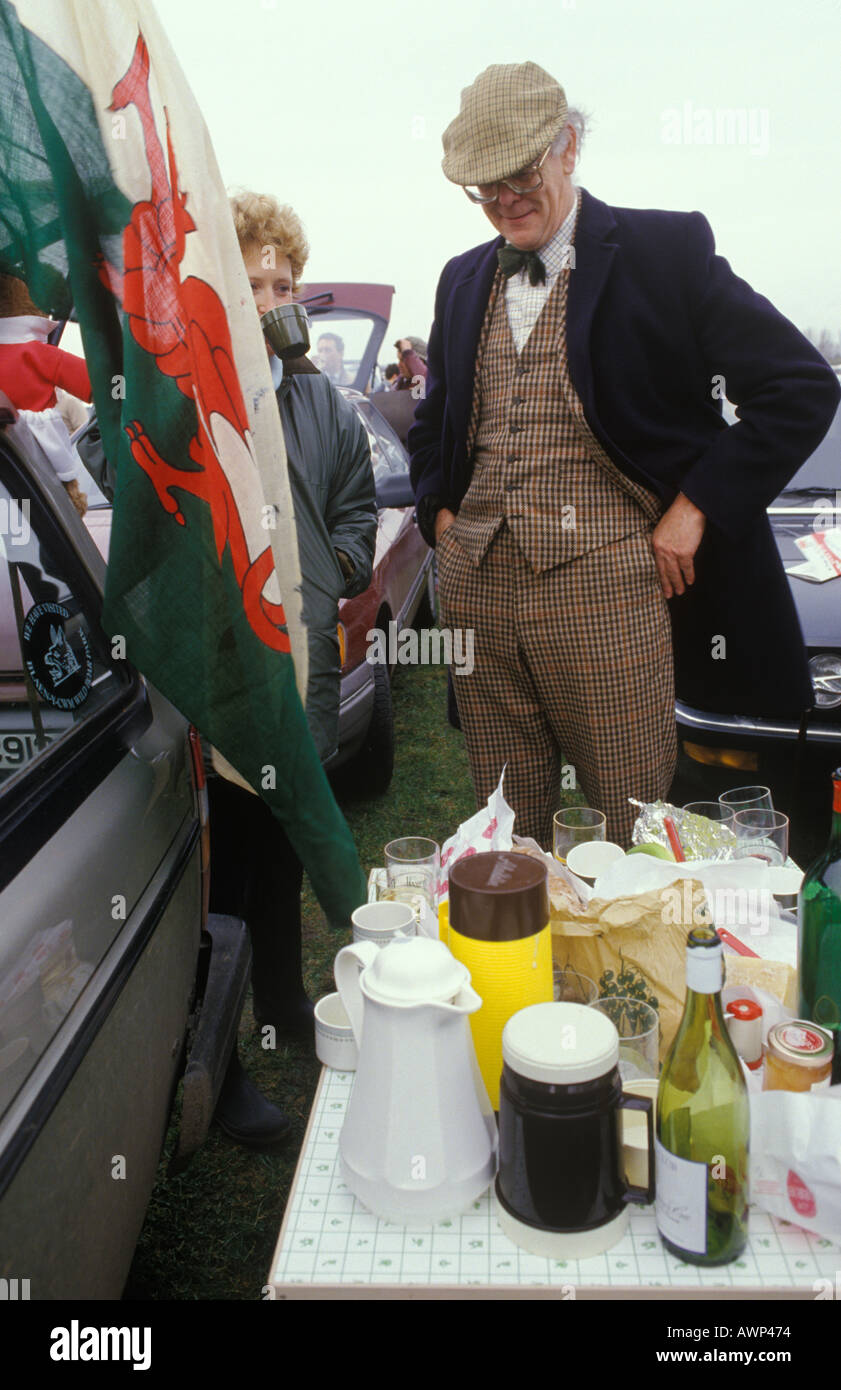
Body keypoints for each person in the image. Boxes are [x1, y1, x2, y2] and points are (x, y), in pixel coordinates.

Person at [409, 61, 840, 849]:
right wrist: (441, 514)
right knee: (507, 830)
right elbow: (435, 415)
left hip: (608, 592)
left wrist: (695, 507)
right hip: (477, 596)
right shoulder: (460, 279)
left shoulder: (663, 251)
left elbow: (798, 386)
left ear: (567, 148)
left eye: (517, 175)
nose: (502, 202)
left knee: (628, 827)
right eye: (481, 188)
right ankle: (521, 964)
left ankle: (627, 970)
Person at [210, 193, 376, 1149]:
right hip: (220, 686)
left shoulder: (320, 402)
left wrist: (337, 571)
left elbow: (354, 508)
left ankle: (281, 1003)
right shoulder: (191, 392)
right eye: (250, 280)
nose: (270, 295)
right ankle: (215, 1064)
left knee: (279, 853)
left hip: (302, 670)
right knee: (221, 871)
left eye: (282, 280)